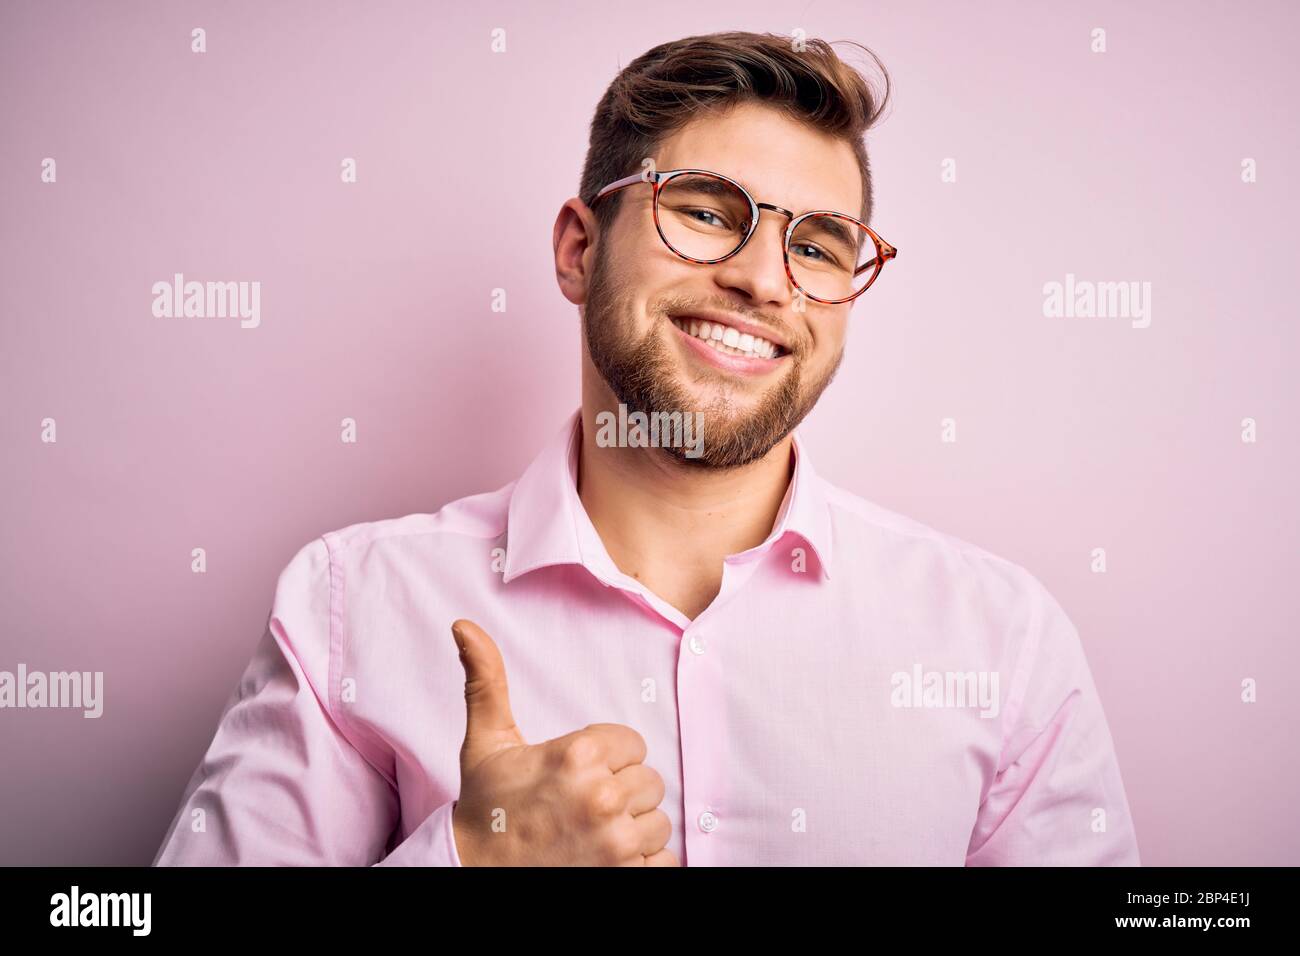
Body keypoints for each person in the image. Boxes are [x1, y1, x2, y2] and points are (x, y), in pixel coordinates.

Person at [153, 30, 1139, 867]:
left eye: (818, 244)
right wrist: (467, 854)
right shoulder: (351, 607)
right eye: (706, 211)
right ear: (580, 249)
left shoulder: (1001, 641)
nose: (764, 279)